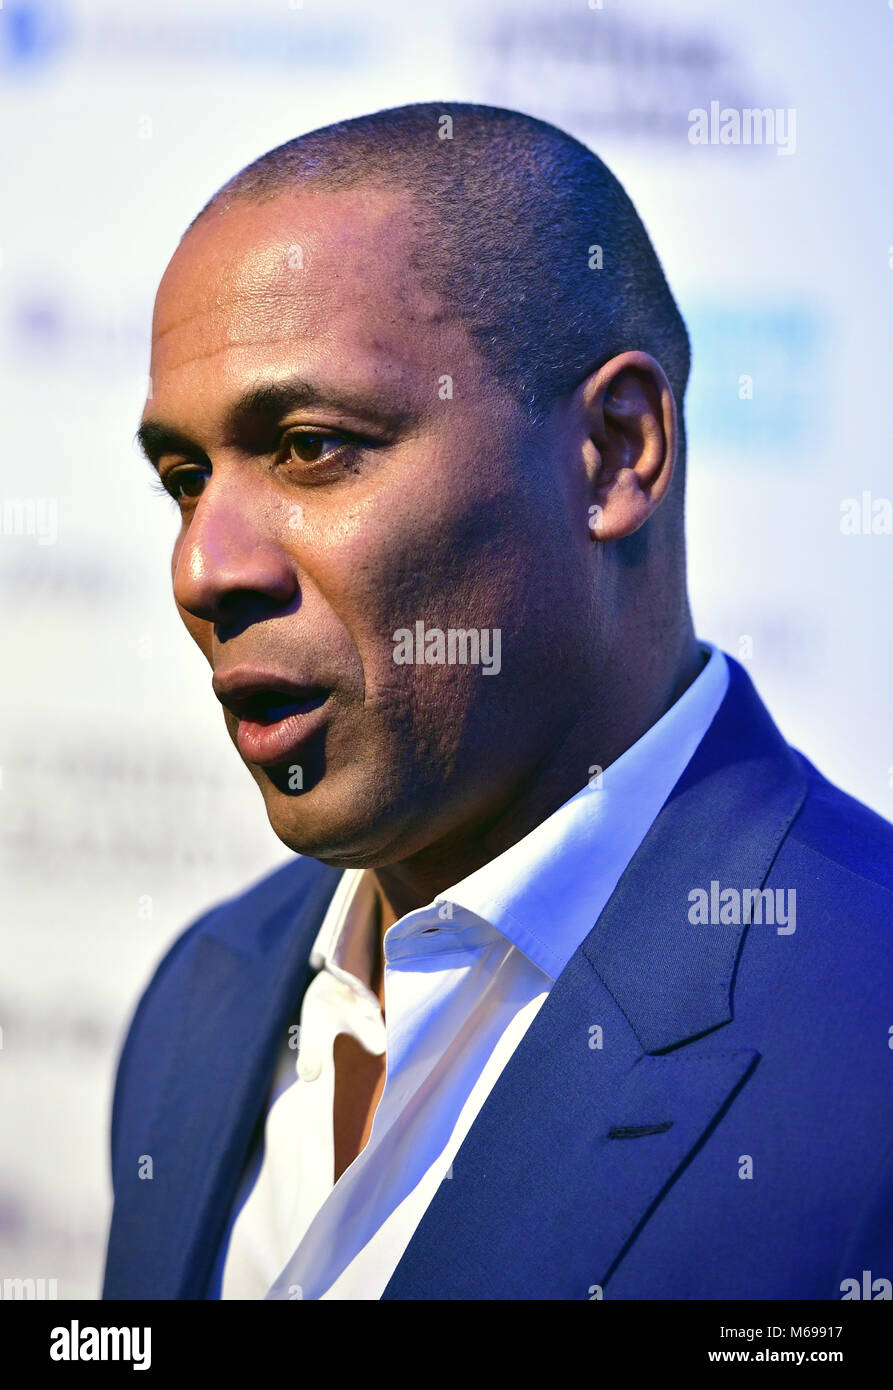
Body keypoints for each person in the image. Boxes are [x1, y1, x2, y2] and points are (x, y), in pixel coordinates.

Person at [102, 102, 893, 1301]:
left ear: (615, 450)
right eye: (184, 477)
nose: (203, 569)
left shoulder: (861, 1033)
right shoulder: (201, 997)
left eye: (311, 446)